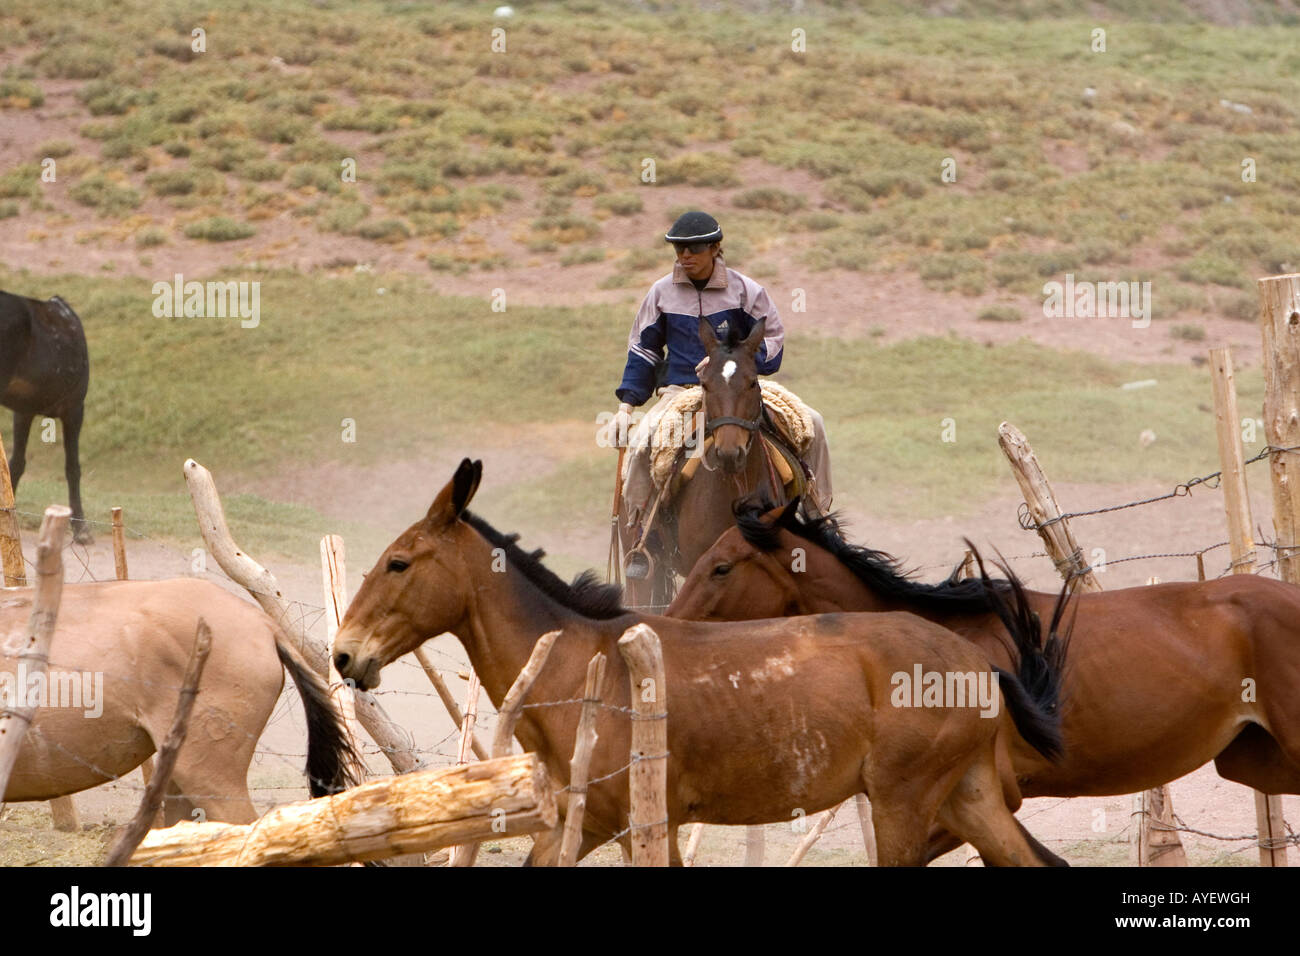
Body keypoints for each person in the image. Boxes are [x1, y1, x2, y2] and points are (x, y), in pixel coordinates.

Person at [605, 211, 832, 541]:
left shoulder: (745, 291)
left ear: (715, 248)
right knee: (642, 444)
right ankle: (643, 534)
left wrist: (734, 363)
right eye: (679, 249)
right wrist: (626, 407)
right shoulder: (660, 293)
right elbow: (644, 350)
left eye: (694, 249)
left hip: (739, 387)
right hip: (679, 392)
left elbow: (773, 340)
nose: (685, 256)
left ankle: (819, 520)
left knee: (814, 422)